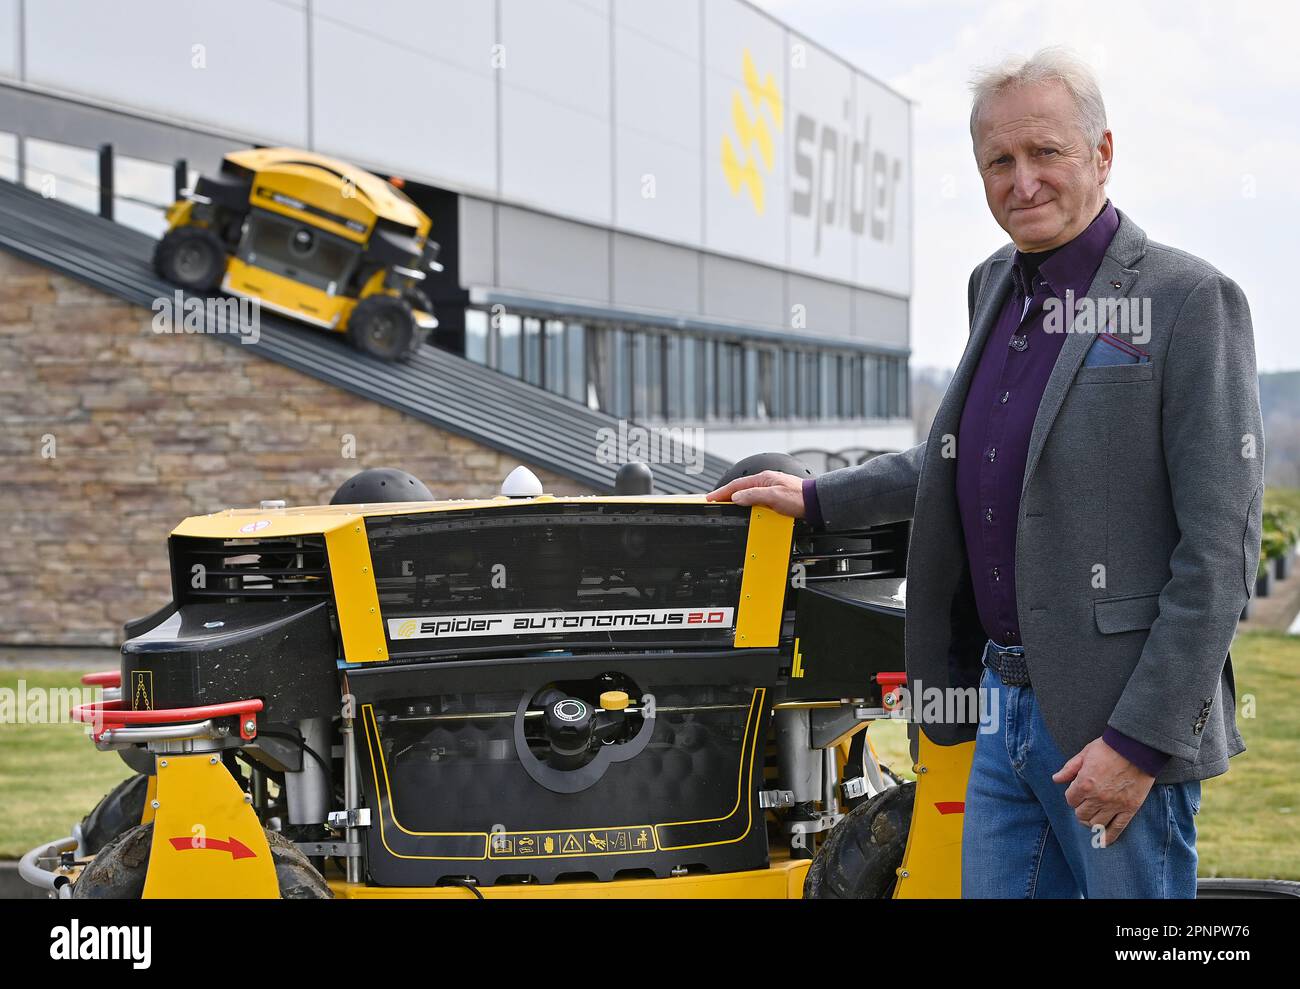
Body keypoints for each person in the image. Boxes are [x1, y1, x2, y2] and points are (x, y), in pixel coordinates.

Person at [707, 46, 1264, 898]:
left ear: (1103, 154)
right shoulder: (995, 283)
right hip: (995, 707)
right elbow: (958, 457)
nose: (1022, 180)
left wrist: (1140, 744)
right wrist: (815, 495)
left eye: (1046, 152)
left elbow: (1221, 554)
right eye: (998, 160)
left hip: (1108, 729)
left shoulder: (1188, 301)